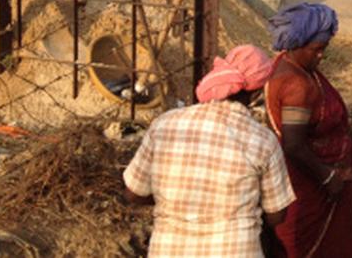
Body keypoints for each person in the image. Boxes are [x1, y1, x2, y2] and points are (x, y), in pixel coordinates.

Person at [124, 45, 294, 256]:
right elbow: (277, 214)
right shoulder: (263, 140)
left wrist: (174, 203)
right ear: (257, 93)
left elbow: (134, 192)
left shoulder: (164, 125)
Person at [265, 3, 352, 257]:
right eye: (316, 50)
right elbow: (294, 144)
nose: (321, 56)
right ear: (297, 44)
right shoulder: (296, 85)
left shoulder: (293, 67)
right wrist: (328, 177)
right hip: (309, 187)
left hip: (314, 181)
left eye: (324, 49)